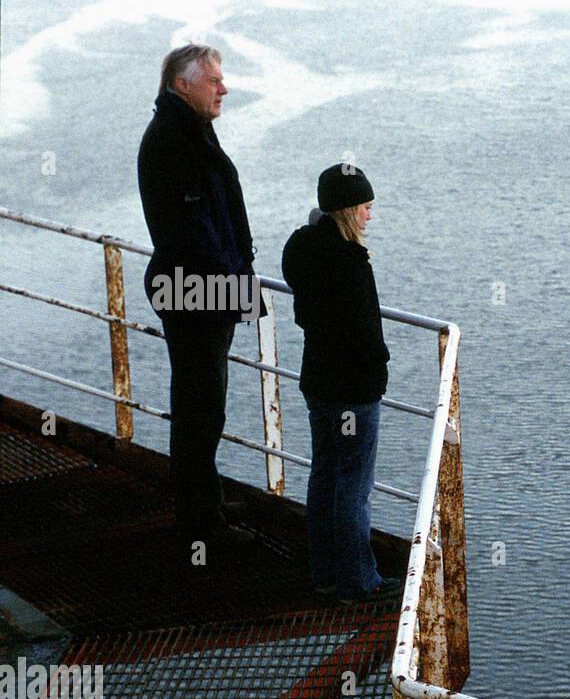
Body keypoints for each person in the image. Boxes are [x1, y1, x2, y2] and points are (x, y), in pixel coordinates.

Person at [137, 43, 261, 547]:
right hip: (194, 293)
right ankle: (201, 525)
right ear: (182, 85)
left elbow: (215, 221)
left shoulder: (188, 131)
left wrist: (239, 276)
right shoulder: (174, 140)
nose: (224, 88)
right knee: (199, 406)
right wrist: (233, 286)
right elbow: (196, 234)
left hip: (200, 288)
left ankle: (203, 501)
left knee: (202, 402)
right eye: (214, 81)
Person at [281, 165, 401, 603]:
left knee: (326, 475)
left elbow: (308, 314)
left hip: (318, 382)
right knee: (354, 486)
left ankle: (326, 573)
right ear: (350, 210)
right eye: (367, 208)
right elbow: (365, 332)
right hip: (353, 389)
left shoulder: (304, 250)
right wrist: (380, 369)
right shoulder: (349, 263)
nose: (371, 217)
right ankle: (358, 582)